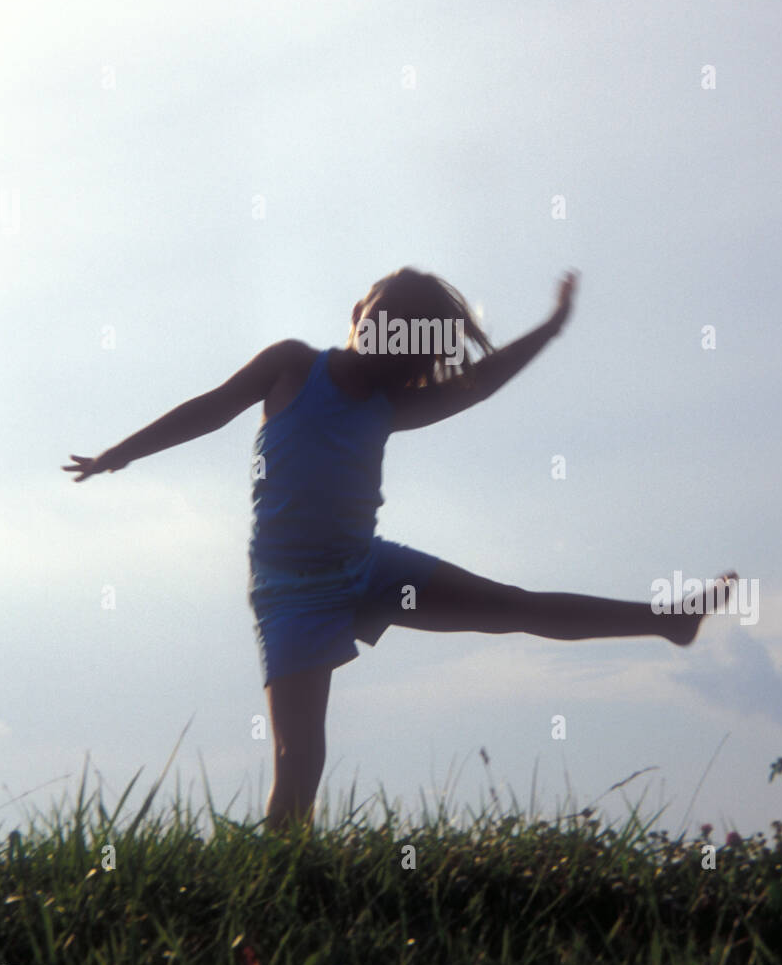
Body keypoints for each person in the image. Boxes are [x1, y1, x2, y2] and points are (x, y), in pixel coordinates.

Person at [64, 266, 736, 829]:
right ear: (358, 310)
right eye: (377, 312)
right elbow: (210, 408)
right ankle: (272, 894)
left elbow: (485, 380)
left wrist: (551, 328)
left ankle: (665, 620)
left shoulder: (392, 404)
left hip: (368, 569)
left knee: (512, 606)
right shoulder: (292, 364)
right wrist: (119, 454)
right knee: (299, 760)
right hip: (291, 595)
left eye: (399, 328)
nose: (379, 329)